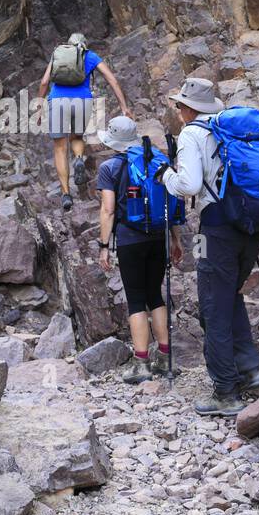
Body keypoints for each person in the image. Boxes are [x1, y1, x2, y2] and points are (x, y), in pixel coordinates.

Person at [156, 77, 259, 417]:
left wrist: (164, 176)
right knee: (229, 293)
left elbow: (187, 185)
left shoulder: (191, 133)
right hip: (252, 224)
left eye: (179, 105)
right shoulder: (227, 129)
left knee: (212, 305)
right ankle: (250, 370)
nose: (177, 110)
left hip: (214, 227)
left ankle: (225, 392)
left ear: (189, 109)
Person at [95, 116, 182, 384]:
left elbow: (108, 210)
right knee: (155, 295)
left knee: (135, 299)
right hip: (158, 236)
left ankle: (141, 363)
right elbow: (170, 202)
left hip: (130, 239)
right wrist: (175, 239)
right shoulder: (155, 160)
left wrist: (104, 246)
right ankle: (165, 359)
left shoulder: (109, 168)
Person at [37, 32, 129, 211]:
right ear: (85, 45)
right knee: (77, 136)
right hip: (83, 101)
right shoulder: (90, 56)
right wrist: (124, 107)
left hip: (57, 100)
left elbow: (44, 82)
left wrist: (39, 107)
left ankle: (65, 194)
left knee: (60, 148)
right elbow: (112, 80)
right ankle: (78, 158)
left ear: (68, 44)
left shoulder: (58, 54)